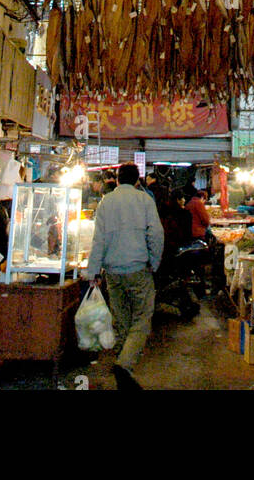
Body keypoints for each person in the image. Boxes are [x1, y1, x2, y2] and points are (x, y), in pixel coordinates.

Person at [85, 163, 164, 390]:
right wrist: (154, 262)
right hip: (138, 269)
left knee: (121, 321)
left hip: (113, 272)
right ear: (138, 180)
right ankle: (124, 365)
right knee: (142, 318)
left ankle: (123, 374)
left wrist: (93, 272)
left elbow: (98, 240)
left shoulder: (105, 202)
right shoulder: (144, 201)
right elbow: (156, 235)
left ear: (117, 180)